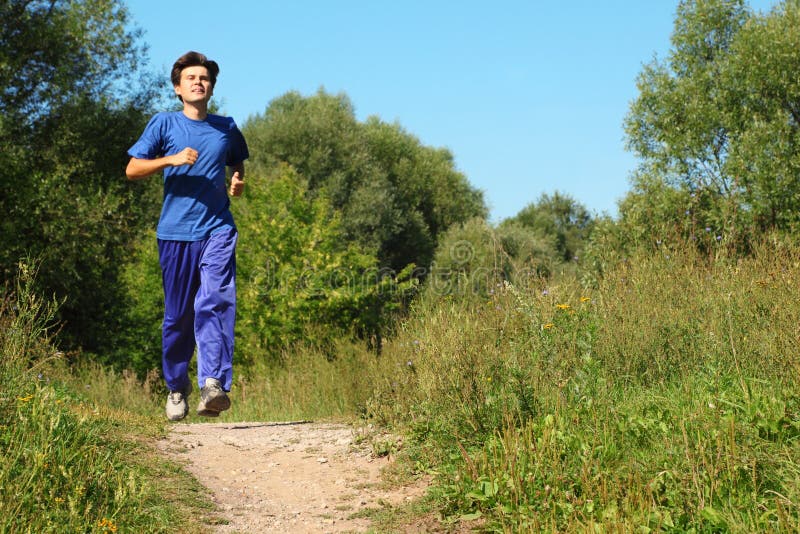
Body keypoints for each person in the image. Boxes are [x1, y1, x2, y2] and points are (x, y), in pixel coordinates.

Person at [126, 51, 249, 421]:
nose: (199, 82)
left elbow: (237, 159)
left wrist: (237, 179)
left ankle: (213, 384)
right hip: (175, 233)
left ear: (211, 87)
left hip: (217, 228)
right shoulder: (164, 125)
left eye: (205, 78)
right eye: (191, 78)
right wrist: (170, 160)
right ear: (178, 88)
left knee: (214, 301)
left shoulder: (226, 127)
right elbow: (132, 169)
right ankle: (176, 387)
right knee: (178, 316)